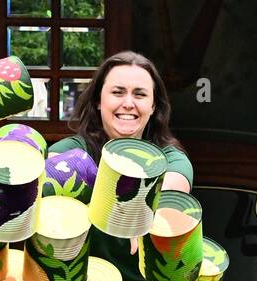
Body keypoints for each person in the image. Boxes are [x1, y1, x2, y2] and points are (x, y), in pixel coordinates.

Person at [49, 49, 194, 195]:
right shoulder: (73, 149)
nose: (128, 104)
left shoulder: (172, 160)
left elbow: (169, 196)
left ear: (153, 106)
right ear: (98, 100)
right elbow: (46, 175)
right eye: (118, 92)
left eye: (140, 94)